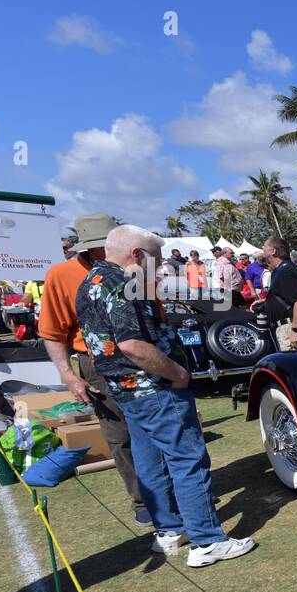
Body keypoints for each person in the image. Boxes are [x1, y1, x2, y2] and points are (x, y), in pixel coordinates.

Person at [76, 225, 253, 567]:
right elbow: (132, 345)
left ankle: (169, 530)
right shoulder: (123, 285)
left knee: (149, 458)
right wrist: (179, 373)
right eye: (155, 260)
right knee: (187, 459)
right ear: (137, 255)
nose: (159, 268)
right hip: (154, 387)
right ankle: (207, 540)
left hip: (126, 390)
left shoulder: (92, 281)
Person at [37, 213, 150, 523]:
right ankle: (143, 503)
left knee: (154, 429)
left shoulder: (136, 266)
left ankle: (168, 496)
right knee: (120, 435)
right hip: (97, 362)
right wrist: (69, 375)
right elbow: (51, 332)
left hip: (143, 355)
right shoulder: (61, 275)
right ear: (88, 248)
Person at [258, 237, 297, 351]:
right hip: (287, 327)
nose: (262, 248)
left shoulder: (286, 271)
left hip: (290, 327)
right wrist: (267, 301)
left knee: (295, 366)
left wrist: (295, 331)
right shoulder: (282, 269)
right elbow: (288, 297)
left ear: (273, 251)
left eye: (265, 246)